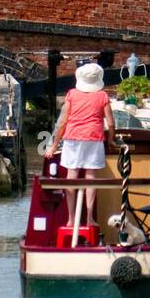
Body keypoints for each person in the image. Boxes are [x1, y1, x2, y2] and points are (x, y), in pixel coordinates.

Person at [46, 61, 116, 227]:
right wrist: (112, 139)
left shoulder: (71, 94)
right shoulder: (102, 96)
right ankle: (90, 218)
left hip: (73, 138)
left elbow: (63, 122)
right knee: (91, 177)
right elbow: (111, 123)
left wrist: (54, 145)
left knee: (72, 177)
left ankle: (71, 219)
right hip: (94, 138)